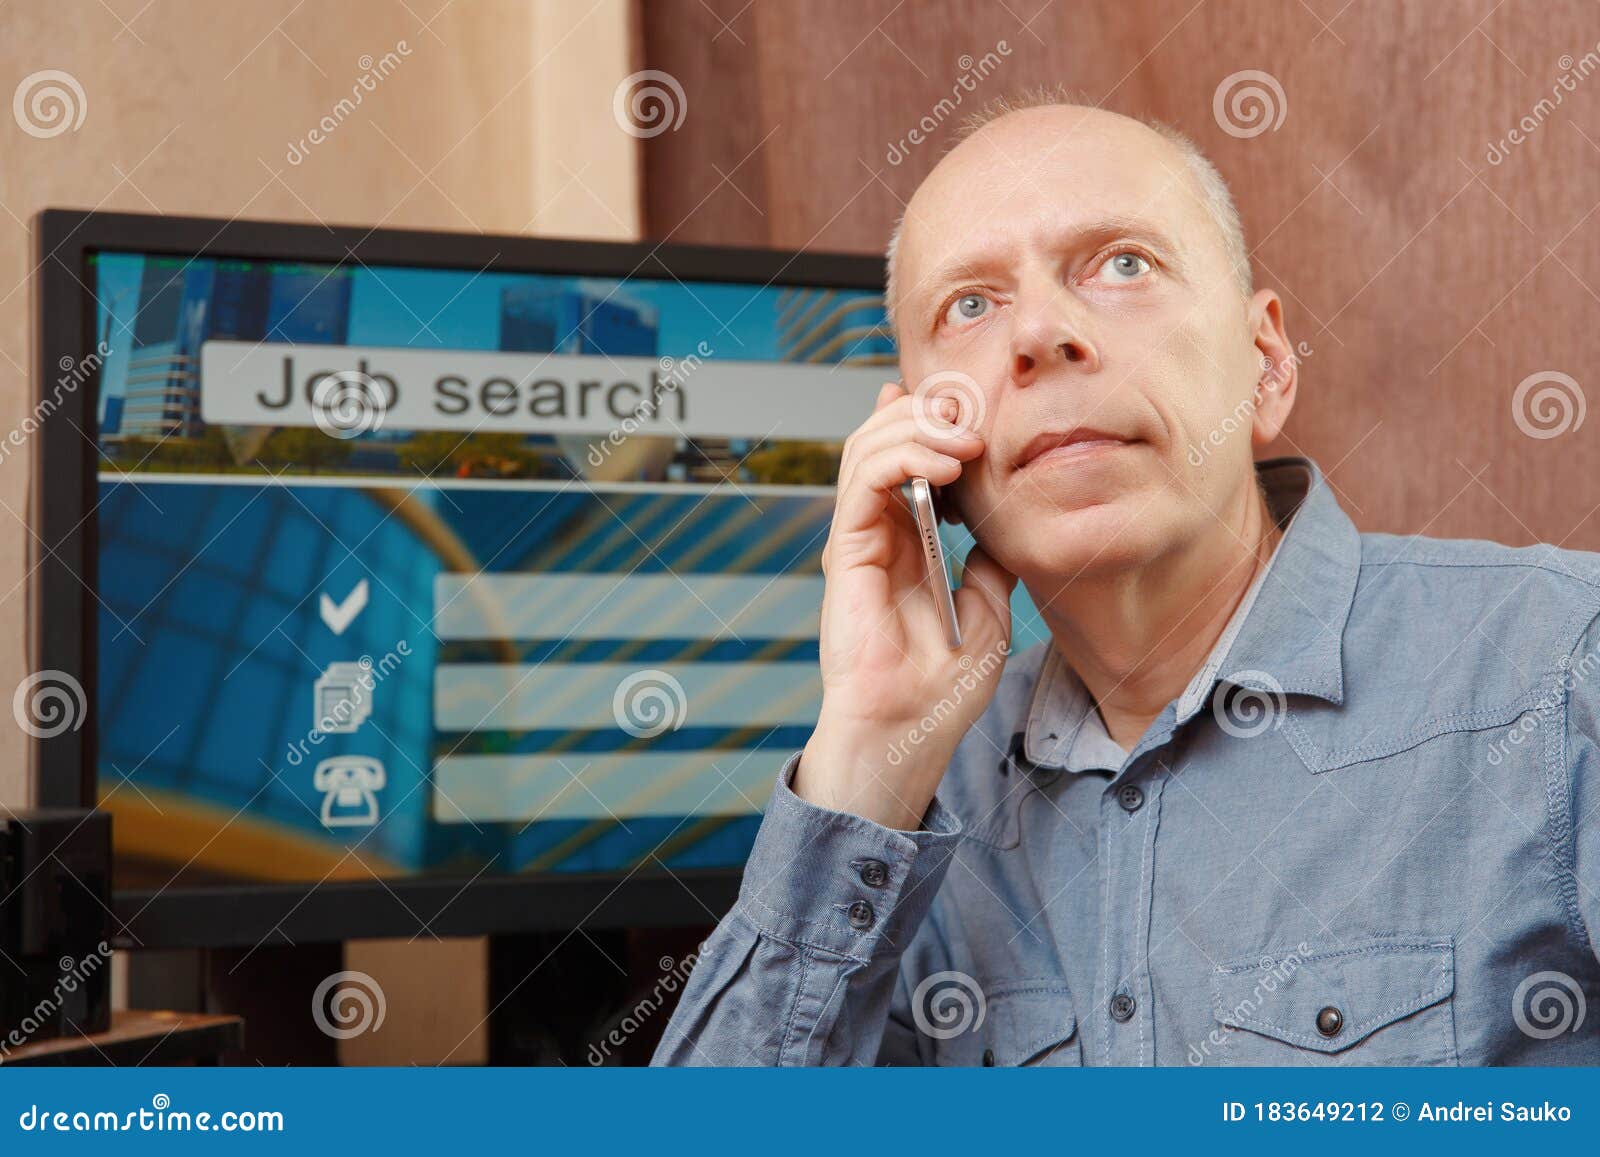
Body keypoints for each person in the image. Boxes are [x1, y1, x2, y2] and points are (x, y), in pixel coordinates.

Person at [653, 92, 1600, 1066]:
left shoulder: (1561, 667)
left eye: (1121, 263)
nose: (1039, 334)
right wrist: (870, 758)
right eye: (969, 304)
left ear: (1266, 365)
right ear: (915, 436)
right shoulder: (930, 792)